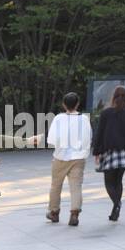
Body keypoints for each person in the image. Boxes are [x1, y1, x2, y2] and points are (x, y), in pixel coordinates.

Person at [30, 92, 91, 226]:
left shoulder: (59, 118)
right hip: (79, 157)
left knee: (56, 185)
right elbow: (89, 137)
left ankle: (54, 212)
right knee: (76, 187)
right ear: (78, 104)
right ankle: (74, 213)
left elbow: (51, 139)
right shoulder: (84, 119)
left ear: (64, 104)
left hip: (60, 157)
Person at [91, 85, 125, 222]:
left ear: (113, 97)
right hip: (124, 153)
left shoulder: (106, 113)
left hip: (109, 152)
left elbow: (99, 133)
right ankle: (115, 209)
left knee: (108, 182)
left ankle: (117, 204)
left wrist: (97, 151)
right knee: (118, 181)